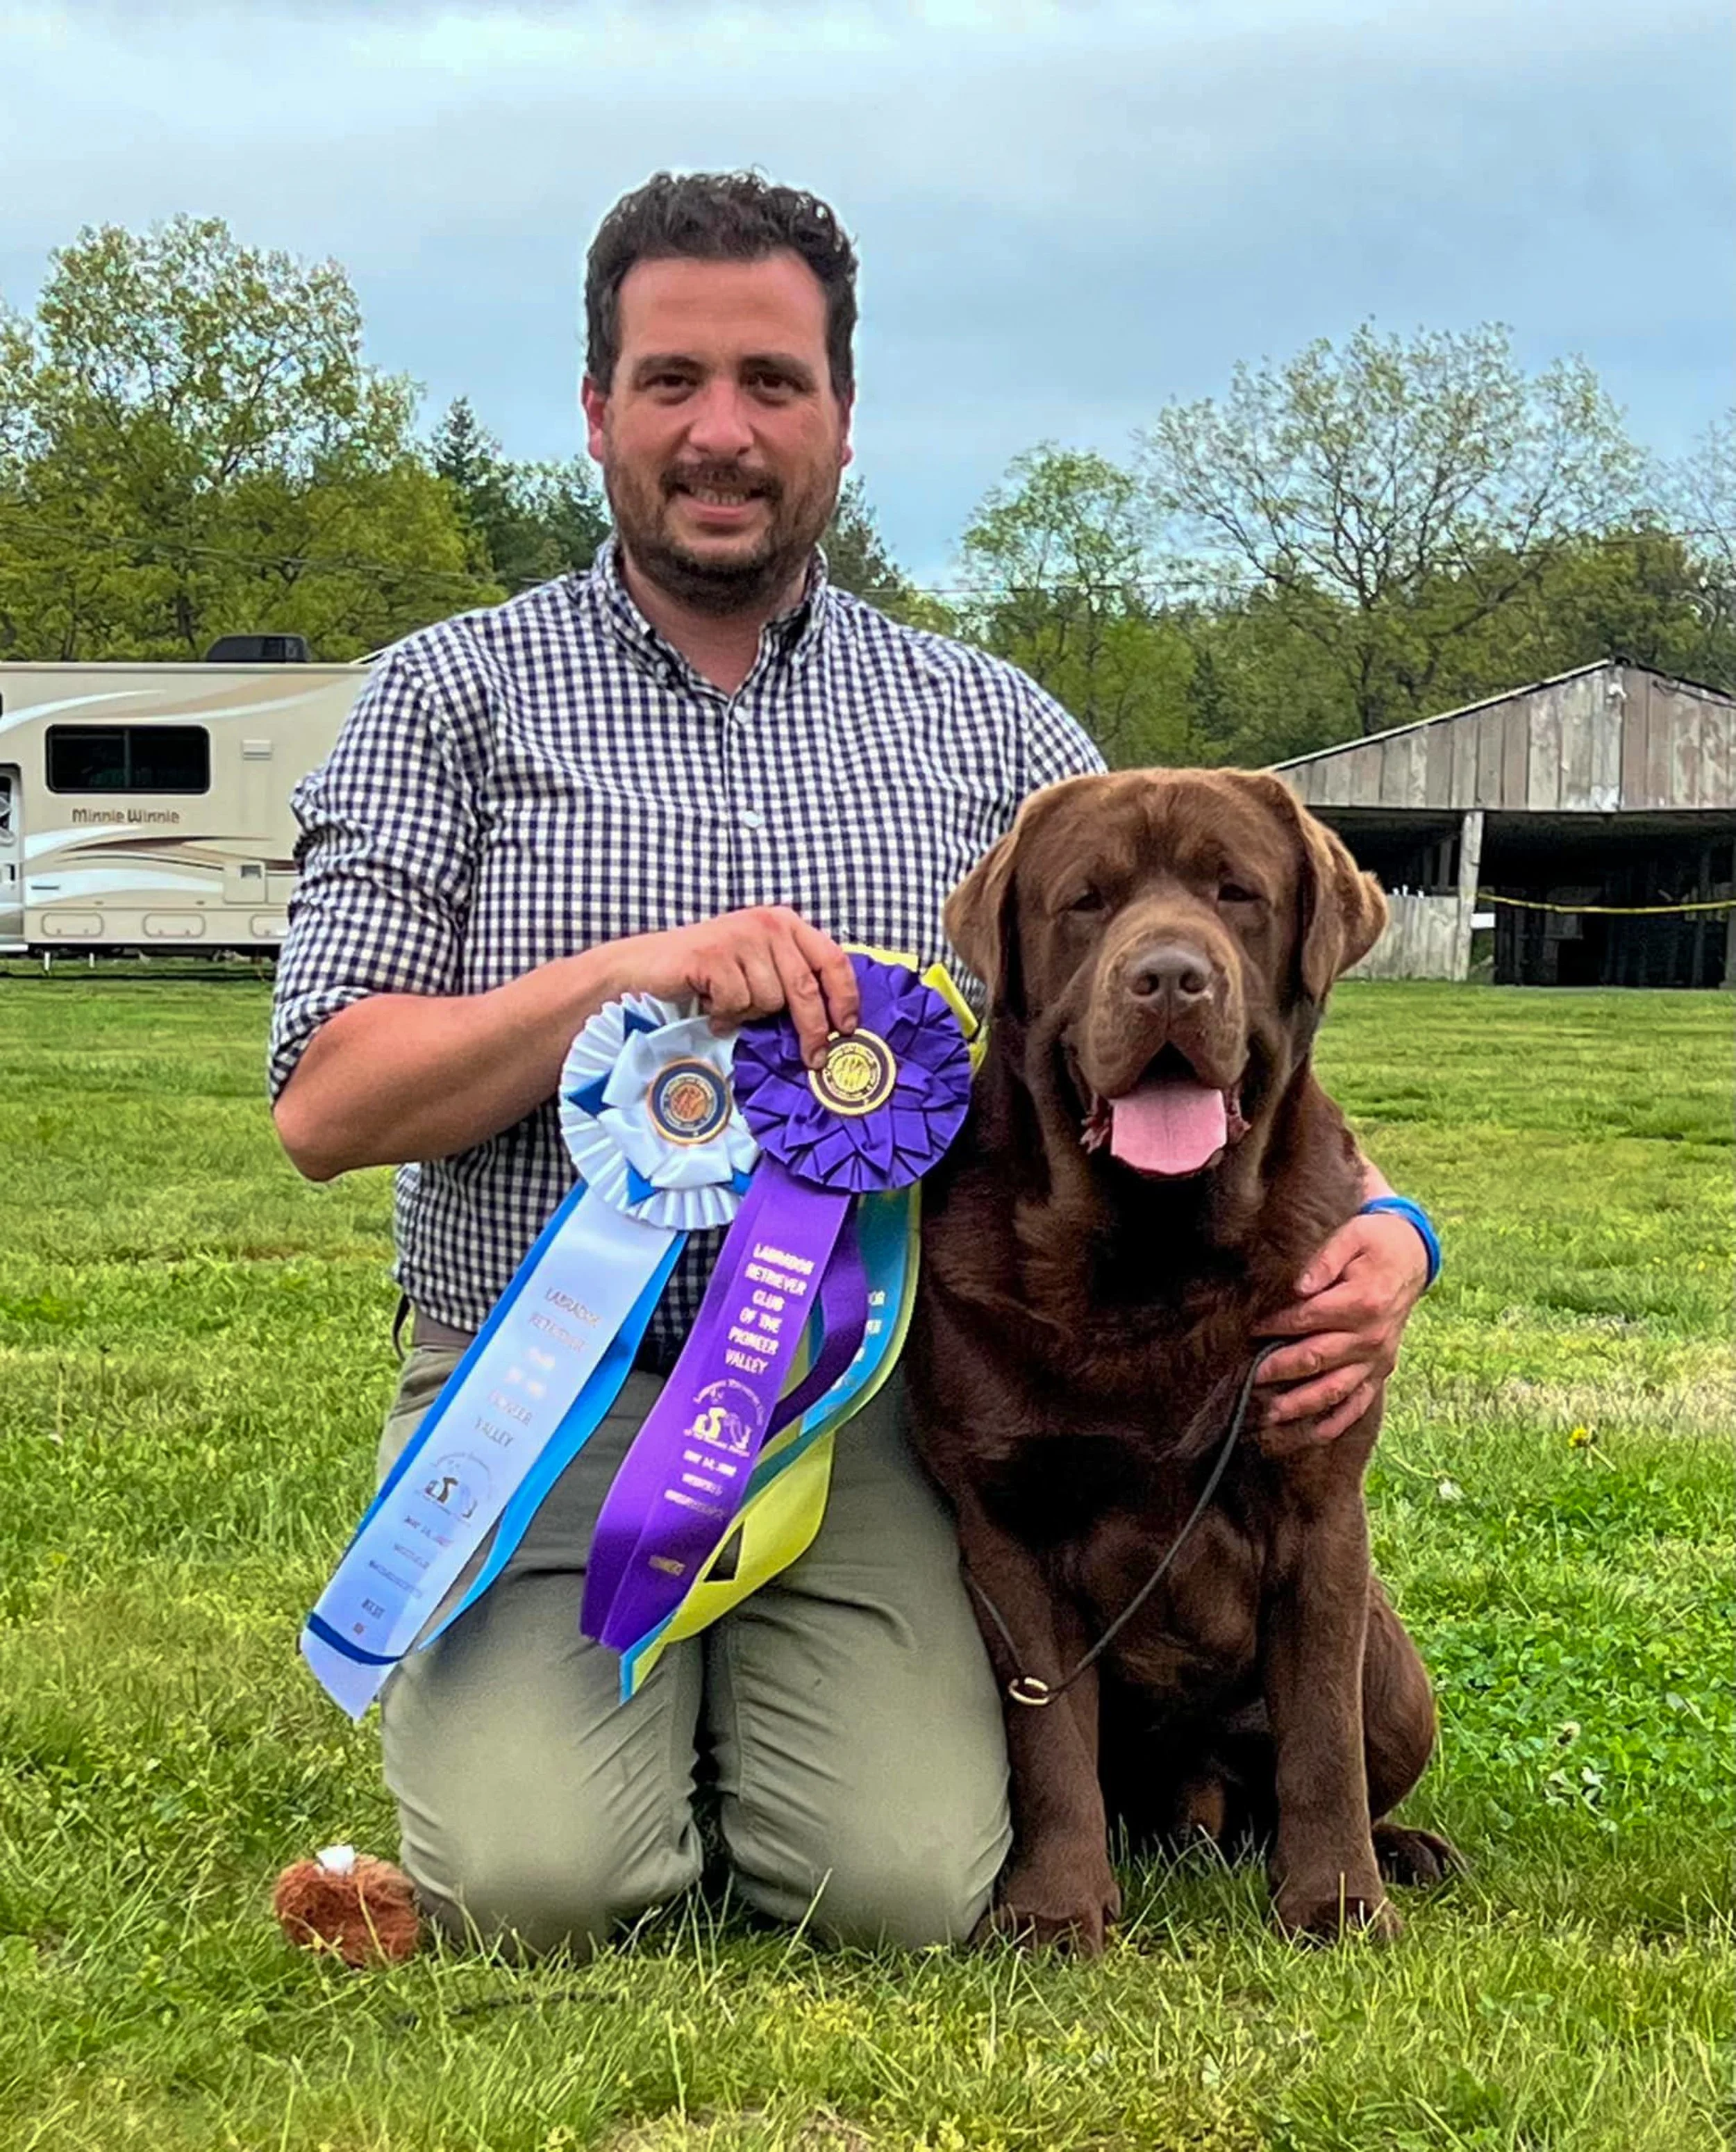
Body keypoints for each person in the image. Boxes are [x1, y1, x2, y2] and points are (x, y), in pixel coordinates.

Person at [269, 170, 1433, 1957]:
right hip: (540, 1406)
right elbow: (329, 1101)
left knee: (893, 1890)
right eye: (670, 381)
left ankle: (758, 1733)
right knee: (540, 1887)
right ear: (596, 411)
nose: (719, 431)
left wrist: (1399, 1232)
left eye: (771, 382)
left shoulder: (993, 728)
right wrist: (630, 971)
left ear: (841, 417)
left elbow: (1181, 1012)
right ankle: (579, 1740)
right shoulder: (448, 697)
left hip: (865, 1419)